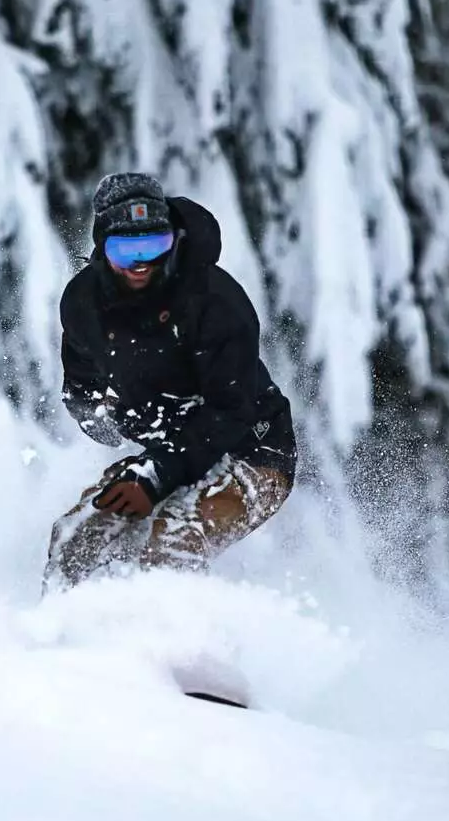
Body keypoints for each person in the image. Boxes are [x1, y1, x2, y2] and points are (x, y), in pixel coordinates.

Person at [44, 172, 296, 593]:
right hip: (169, 451)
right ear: (102, 248)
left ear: (174, 240)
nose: (141, 262)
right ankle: (58, 636)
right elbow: (81, 384)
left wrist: (156, 474)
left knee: (171, 541)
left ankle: (175, 650)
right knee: (77, 535)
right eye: (126, 250)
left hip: (252, 449)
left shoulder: (215, 303)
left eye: (154, 246)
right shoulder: (84, 302)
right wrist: (98, 416)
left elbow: (231, 411)